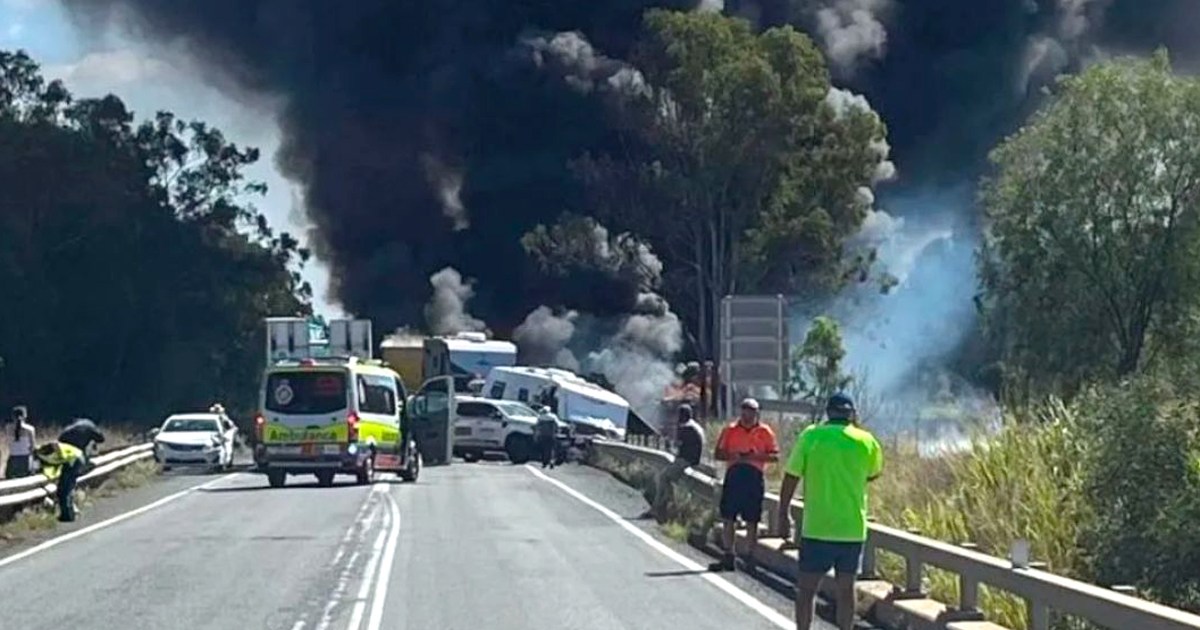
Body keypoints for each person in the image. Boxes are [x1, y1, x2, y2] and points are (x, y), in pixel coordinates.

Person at [776, 392, 884, 630]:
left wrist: (783, 513)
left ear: (828, 413)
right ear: (851, 414)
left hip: (818, 528)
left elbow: (791, 476)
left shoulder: (811, 436)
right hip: (852, 529)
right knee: (846, 590)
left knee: (806, 589)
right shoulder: (867, 440)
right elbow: (874, 473)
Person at [709, 397, 778, 572]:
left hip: (754, 476)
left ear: (757, 413)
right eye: (745, 410)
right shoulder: (730, 430)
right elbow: (718, 453)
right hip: (734, 474)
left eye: (752, 411)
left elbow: (774, 456)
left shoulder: (765, 432)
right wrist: (734, 456)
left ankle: (750, 557)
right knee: (728, 517)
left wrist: (754, 456)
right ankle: (728, 555)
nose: (748, 414)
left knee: (752, 518)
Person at [642, 404, 705, 521]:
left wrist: (669, 442)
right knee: (667, 477)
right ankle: (667, 504)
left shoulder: (686, 428)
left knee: (664, 477)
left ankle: (663, 507)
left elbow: (678, 447)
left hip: (686, 460)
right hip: (694, 459)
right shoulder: (695, 426)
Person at [33, 441, 86, 522]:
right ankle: (70, 512)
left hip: (74, 461)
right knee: (65, 490)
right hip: (74, 460)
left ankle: (67, 515)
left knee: (64, 491)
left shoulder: (52, 450)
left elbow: (56, 462)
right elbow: (54, 467)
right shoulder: (50, 452)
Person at [4, 406, 36, 479]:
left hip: (13, 458)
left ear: (13, 416)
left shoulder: (8, 427)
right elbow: (32, 446)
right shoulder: (30, 429)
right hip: (25, 458)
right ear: (25, 416)